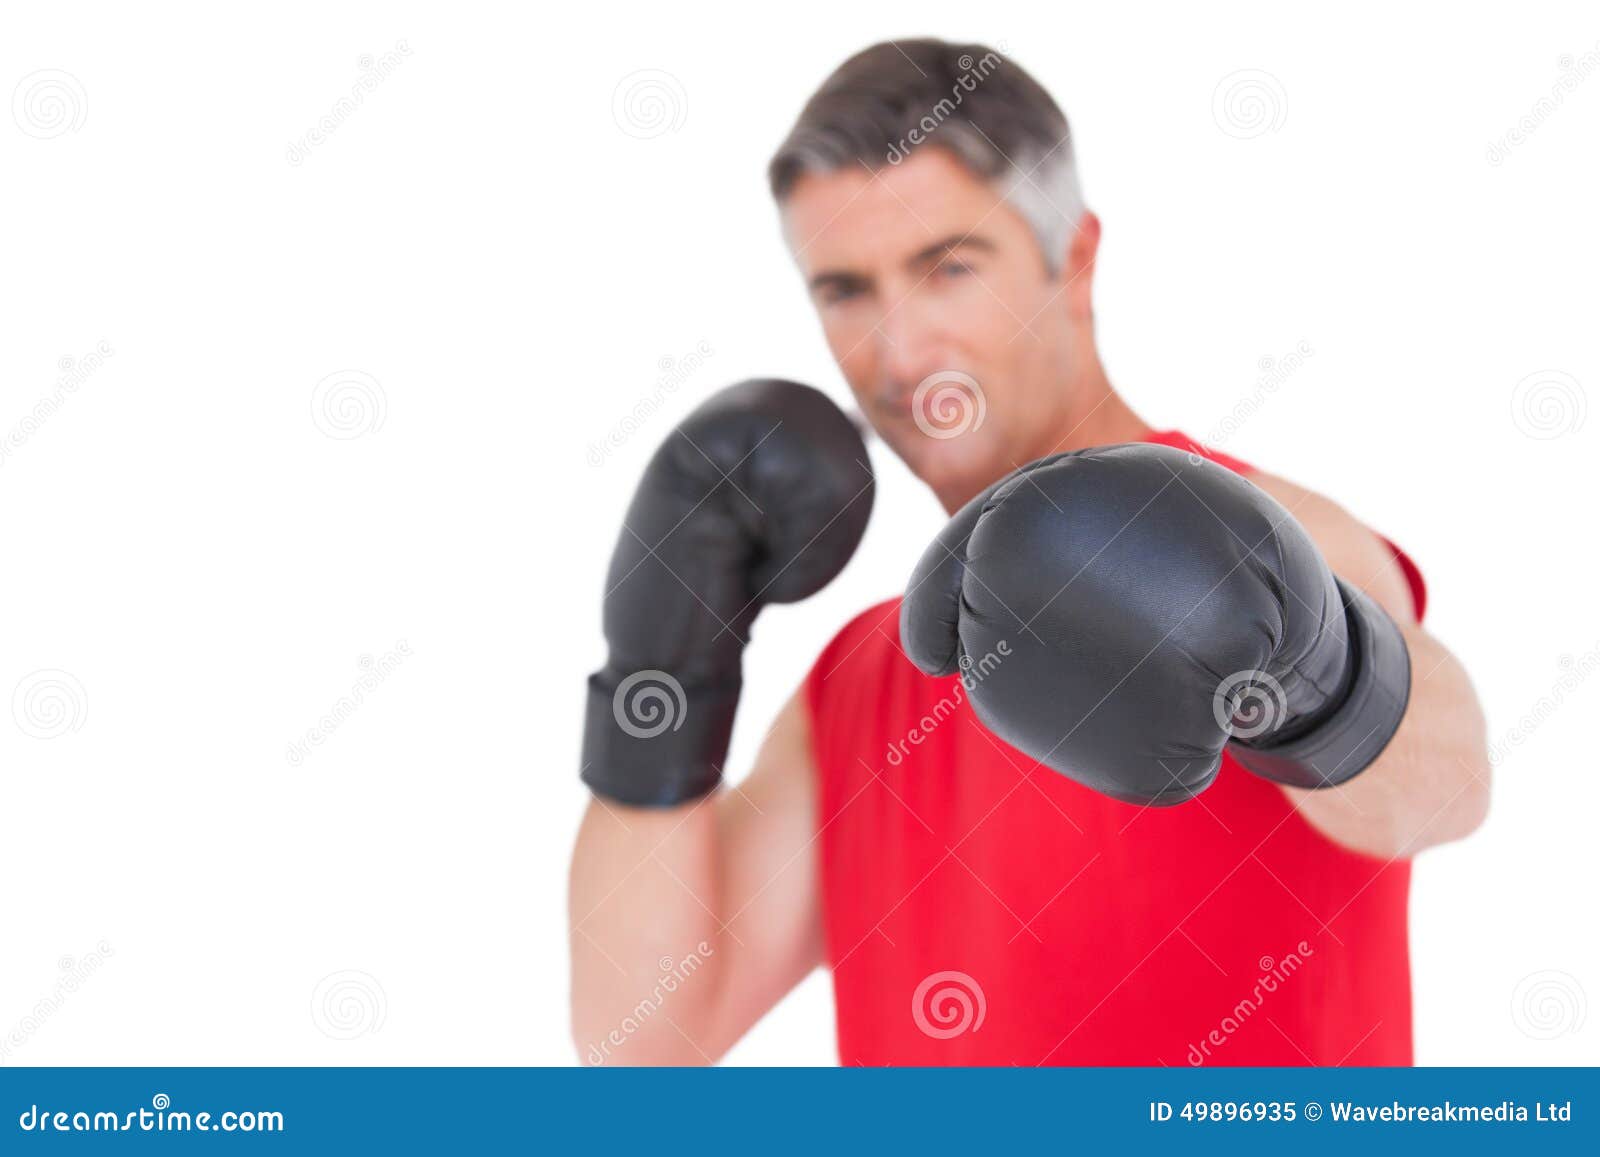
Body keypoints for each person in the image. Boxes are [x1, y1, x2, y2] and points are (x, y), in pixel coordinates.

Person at [570, 38, 1490, 1066]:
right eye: (845, 289)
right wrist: (663, 651)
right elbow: (643, 1037)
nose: (902, 349)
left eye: (948, 266)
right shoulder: (864, 675)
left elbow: (1447, 792)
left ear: (1077, 259)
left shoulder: (1261, 539)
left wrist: (1315, 680)